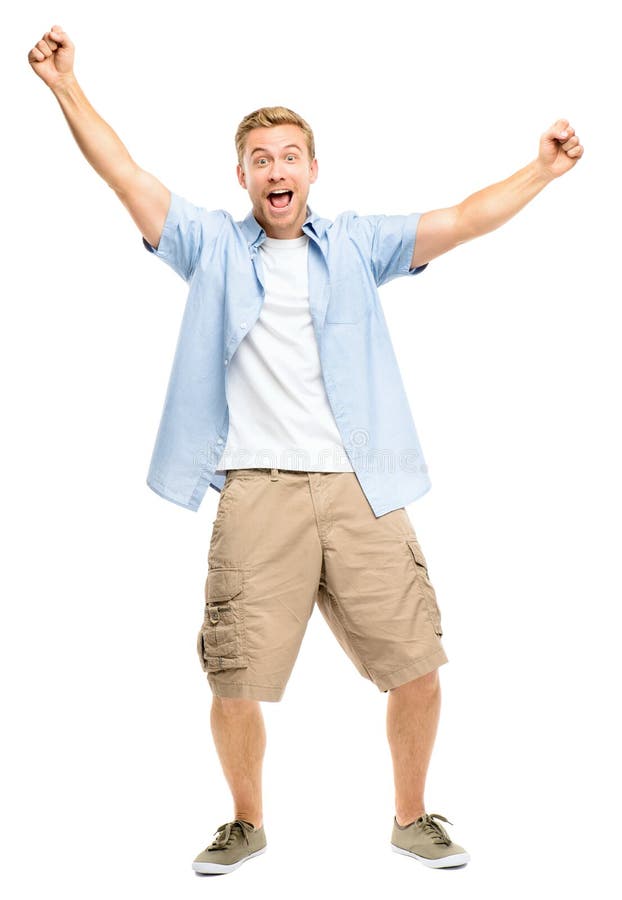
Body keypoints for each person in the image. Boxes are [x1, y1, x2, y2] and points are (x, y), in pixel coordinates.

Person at [28, 24, 584, 876]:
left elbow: (466, 219)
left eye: (291, 155)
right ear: (243, 175)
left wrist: (542, 171)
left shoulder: (358, 245)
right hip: (258, 492)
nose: (277, 170)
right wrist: (66, 86)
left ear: (313, 171)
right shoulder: (210, 245)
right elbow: (126, 176)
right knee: (234, 676)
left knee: (419, 667)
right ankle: (246, 823)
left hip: (363, 487)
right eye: (260, 158)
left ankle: (411, 817)